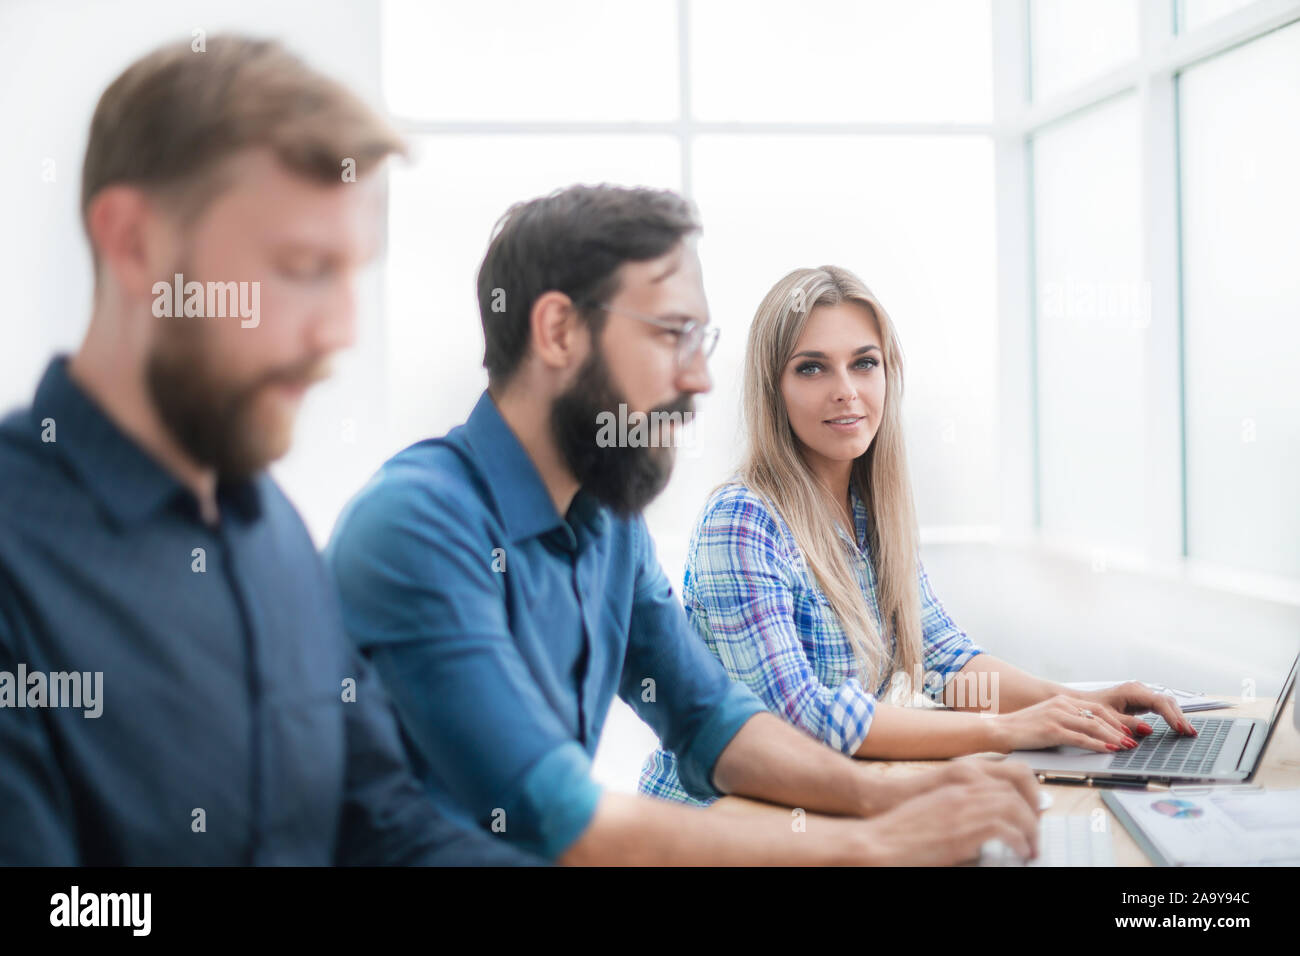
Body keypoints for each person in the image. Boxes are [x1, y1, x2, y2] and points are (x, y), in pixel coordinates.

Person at [325, 185, 1046, 866]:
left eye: (703, 339)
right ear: (557, 331)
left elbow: (713, 721)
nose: (701, 377)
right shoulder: (415, 528)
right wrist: (876, 843)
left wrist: (894, 793)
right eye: (674, 334)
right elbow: (555, 815)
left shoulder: (609, 523)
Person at [0, 35, 540, 865]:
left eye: (351, 273)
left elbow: (379, 823)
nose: (341, 332)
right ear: (134, 243)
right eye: (300, 268)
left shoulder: (273, 531)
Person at [640, 265, 1193, 806]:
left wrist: (1078, 701)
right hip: (716, 830)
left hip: (829, 811)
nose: (846, 391)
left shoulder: (869, 511)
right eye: (812, 368)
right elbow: (802, 720)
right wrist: (1008, 730)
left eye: (864, 363)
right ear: (773, 389)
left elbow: (943, 659)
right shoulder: (742, 521)